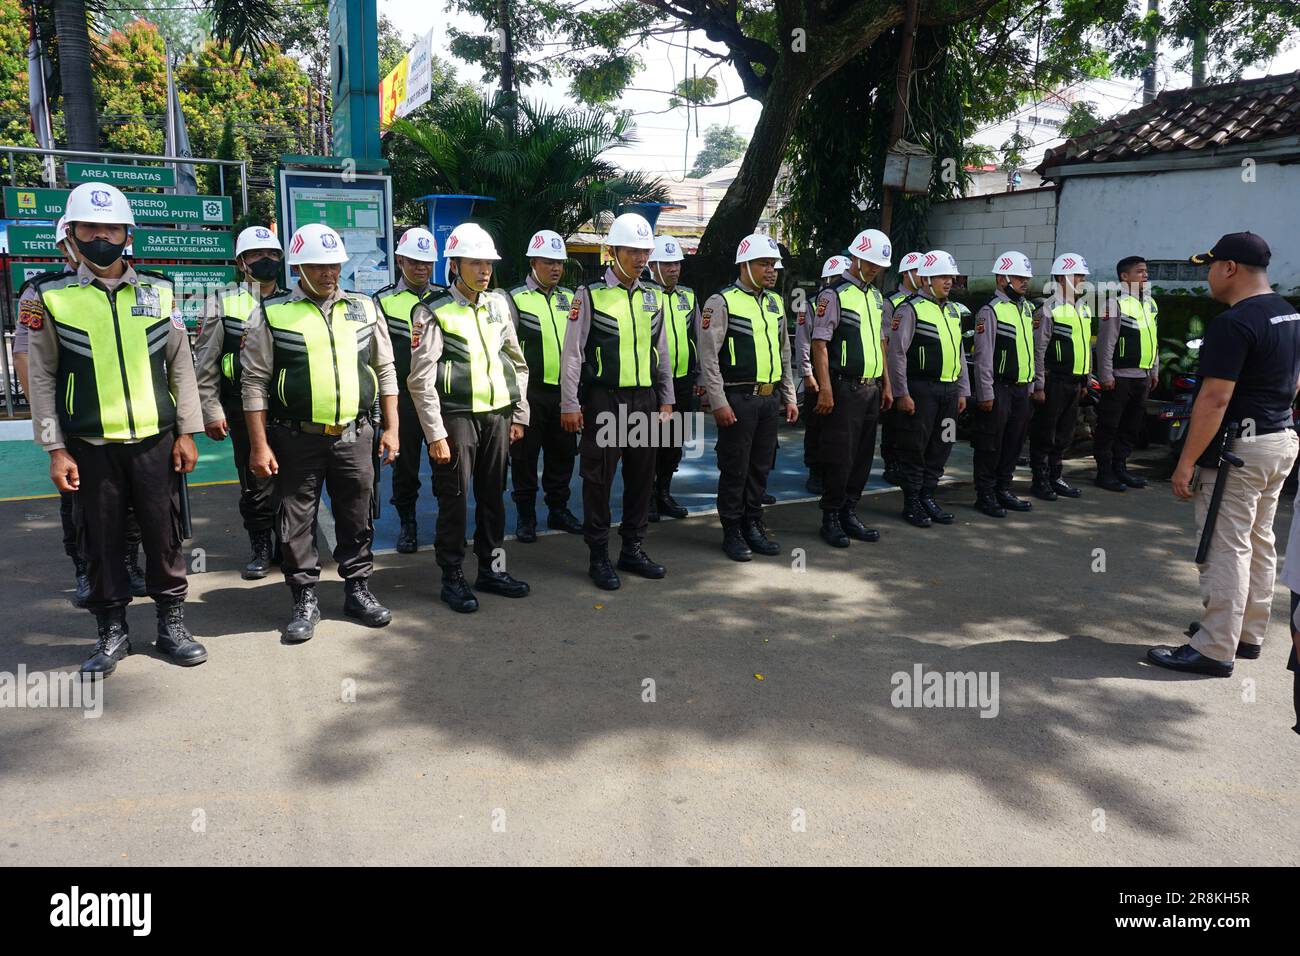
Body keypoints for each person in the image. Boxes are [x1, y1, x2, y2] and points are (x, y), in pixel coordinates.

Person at [25, 182, 207, 676]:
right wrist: (54, 448)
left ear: (128, 234)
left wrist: (187, 430)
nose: (102, 236)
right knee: (100, 540)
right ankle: (111, 633)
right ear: (73, 233)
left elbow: (180, 367)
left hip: (155, 441)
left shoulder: (158, 288)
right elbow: (38, 377)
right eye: (92, 227)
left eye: (112, 228)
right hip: (90, 446)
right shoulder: (47, 296)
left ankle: (171, 626)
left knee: (164, 535)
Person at [1149, 233, 1300, 677]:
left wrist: (1185, 462)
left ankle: (1215, 647)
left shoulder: (1233, 324)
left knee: (1225, 545)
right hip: (1280, 440)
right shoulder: (1288, 312)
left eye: (1211, 266)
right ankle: (1247, 633)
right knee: (1259, 539)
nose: (1208, 274)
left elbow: (1214, 401)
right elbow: (1294, 382)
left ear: (1230, 268)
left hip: (1238, 452)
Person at [241, 223, 399, 642]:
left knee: (356, 514)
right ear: (298, 266)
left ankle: (358, 589)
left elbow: (385, 371)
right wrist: (259, 445)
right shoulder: (272, 313)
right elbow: (253, 382)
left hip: (356, 432)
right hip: (296, 437)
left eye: (335, 265)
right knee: (297, 519)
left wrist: (393, 429)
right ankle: (304, 597)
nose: (330, 273)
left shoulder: (365, 308)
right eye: (319, 266)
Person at [408, 222, 531, 613]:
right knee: (455, 501)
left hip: (497, 417)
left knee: (494, 497)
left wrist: (519, 413)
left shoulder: (498, 305)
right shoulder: (432, 312)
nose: (484, 271)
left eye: (488, 264)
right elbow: (419, 380)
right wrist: (435, 434)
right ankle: (452, 576)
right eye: (475, 263)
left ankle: (492, 570)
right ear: (455, 265)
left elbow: (517, 362)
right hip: (456, 419)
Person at [560, 212, 674, 590]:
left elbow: (663, 351)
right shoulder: (589, 295)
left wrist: (666, 400)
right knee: (599, 479)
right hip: (604, 400)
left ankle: (632, 548)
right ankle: (598, 554)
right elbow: (573, 353)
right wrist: (570, 404)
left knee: (642, 477)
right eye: (632, 251)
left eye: (645, 251)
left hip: (644, 399)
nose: (641, 259)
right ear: (612, 252)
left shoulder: (652, 296)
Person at [697, 232, 798, 560]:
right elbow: (708, 356)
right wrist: (718, 402)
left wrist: (790, 396)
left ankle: (753, 524)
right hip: (738, 399)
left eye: (773, 265)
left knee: (760, 468)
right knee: (735, 468)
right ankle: (732, 531)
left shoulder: (774, 302)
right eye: (764, 264)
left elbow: (785, 351)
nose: (771, 270)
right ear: (744, 265)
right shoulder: (722, 302)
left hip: (769, 401)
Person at [194, 225, 284, 578]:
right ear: (242, 262)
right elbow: (205, 362)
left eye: (273, 254)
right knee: (255, 477)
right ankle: (260, 545)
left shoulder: (292, 299)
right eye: (257, 255)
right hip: (242, 406)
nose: (266, 260)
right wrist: (212, 410)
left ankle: (287, 544)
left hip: (287, 406)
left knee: (290, 481)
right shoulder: (223, 301)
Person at [810, 228, 893, 547]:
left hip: (871, 389)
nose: (874, 269)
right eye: (870, 262)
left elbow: (882, 344)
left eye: (879, 265)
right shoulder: (834, 294)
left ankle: (849, 511)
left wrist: (886, 384)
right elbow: (820, 343)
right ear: (855, 257)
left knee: (861, 456)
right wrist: (826, 389)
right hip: (844, 388)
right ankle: (830, 516)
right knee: (839, 455)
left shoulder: (875, 297)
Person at [506, 228, 582, 542]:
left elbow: (581, 348)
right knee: (524, 457)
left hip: (563, 393)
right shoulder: (514, 298)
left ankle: (558, 509)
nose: (555, 268)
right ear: (533, 262)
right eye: (548, 261)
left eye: (560, 263)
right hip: (529, 394)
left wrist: (576, 397)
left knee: (562, 454)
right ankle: (526, 516)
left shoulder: (571, 299)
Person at [886, 250, 970, 527]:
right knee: (915, 447)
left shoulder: (954, 311)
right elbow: (897, 353)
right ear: (925, 279)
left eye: (951, 277)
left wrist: (962, 390)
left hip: (948, 392)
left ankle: (928, 496)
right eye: (942, 276)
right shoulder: (909, 309)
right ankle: (912, 502)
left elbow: (958, 353)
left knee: (942, 445)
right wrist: (902, 393)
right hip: (921, 391)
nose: (949, 282)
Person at [373, 226, 444, 553]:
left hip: (442, 399)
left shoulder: (445, 298)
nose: (421, 268)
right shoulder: (382, 301)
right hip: (402, 400)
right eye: (415, 261)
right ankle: (408, 524)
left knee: (448, 463)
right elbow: (376, 358)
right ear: (400, 259)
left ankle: (448, 523)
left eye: (427, 262)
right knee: (406, 467)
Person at [969, 251, 1037, 518]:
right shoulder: (990, 311)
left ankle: (1003, 488)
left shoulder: (1027, 308)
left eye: (1026, 278)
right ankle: (985, 493)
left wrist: (1031, 384)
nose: (1024, 282)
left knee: (1014, 441)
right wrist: (986, 392)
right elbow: (983, 356)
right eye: (1019, 277)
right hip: (999, 387)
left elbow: (1030, 350)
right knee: (990, 443)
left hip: (1021, 388)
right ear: (1002, 279)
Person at [645, 233, 701, 522]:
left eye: (677, 263)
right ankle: (647, 498)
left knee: (674, 443)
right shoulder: (644, 294)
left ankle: (664, 492)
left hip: (683, 381)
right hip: (654, 385)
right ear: (652, 265)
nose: (674, 269)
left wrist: (700, 377)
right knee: (650, 444)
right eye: (666, 264)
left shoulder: (688, 296)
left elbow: (698, 338)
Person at [1029, 253, 1092, 501]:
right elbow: (1039, 348)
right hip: (1053, 380)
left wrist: (1085, 379)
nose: (1082, 279)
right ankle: (1040, 479)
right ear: (1061, 277)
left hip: (1074, 382)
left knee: (1065, 433)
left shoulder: (1083, 309)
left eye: (1082, 275)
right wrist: (1039, 384)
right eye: (1077, 275)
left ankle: (1056, 476)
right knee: (1045, 432)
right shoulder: (1047, 309)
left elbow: (1084, 347)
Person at [1094, 255, 1159, 492]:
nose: (1145, 275)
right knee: (1110, 425)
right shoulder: (1115, 305)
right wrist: (1106, 375)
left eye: (1146, 272)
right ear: (1124, 277)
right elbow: (1106, 344)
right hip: (1119, 378)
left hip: (1142, 377)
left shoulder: (1150, 304)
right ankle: (1104, 471)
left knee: (1131, 426)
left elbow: (1153, 340)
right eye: (1140, 272)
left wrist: (1153, 370)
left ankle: (1120, 467)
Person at [797, 254, 848, 495]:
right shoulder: (811, 303)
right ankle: (815, 470)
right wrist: (807, 373)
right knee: (816, 426)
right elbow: (804, 341)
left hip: (836, 376)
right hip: (818, 376)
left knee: (835, 429)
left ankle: (832, 470)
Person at [881, 251, 924, 487]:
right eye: (918, 271)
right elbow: (886, 342)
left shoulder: (927, 301)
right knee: (894, 422)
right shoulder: (891, 301)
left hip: (917, 371)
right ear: (907, 273)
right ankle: (892, 463)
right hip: (897, 370)